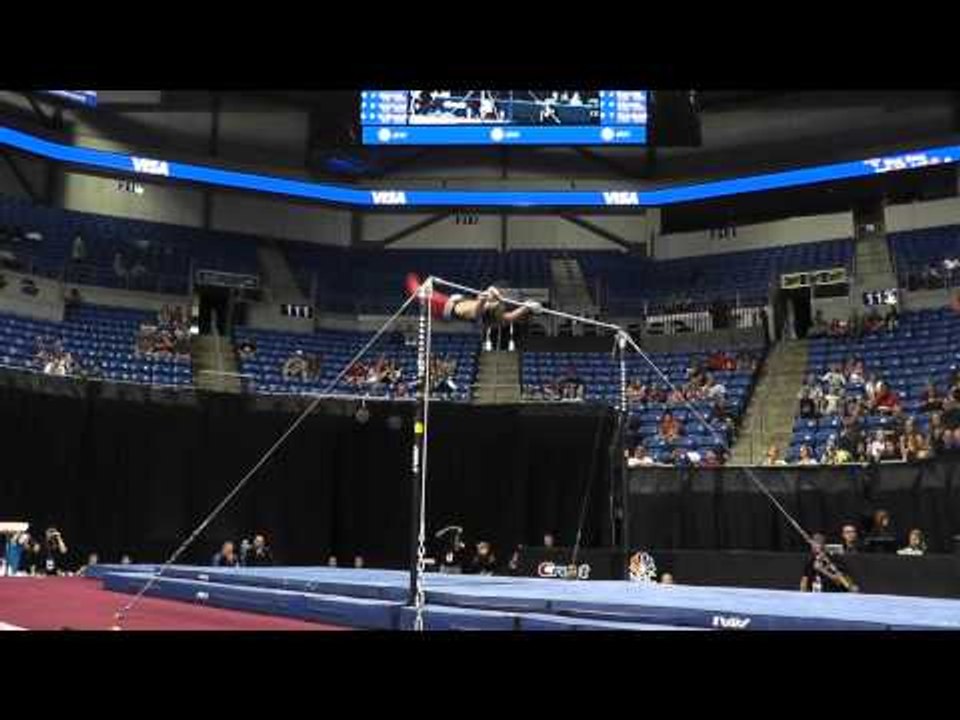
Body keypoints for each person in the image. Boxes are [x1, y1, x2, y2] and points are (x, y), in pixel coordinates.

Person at [405, 273, 541, 326]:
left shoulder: (482, 312)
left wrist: (483, 299)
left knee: (413, 284)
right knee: (414, 283)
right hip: (447, 302)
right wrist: (527, 306)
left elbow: (478, 311)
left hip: (442, 307)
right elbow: (511, 316)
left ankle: (412, 275)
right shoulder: (499, 312)